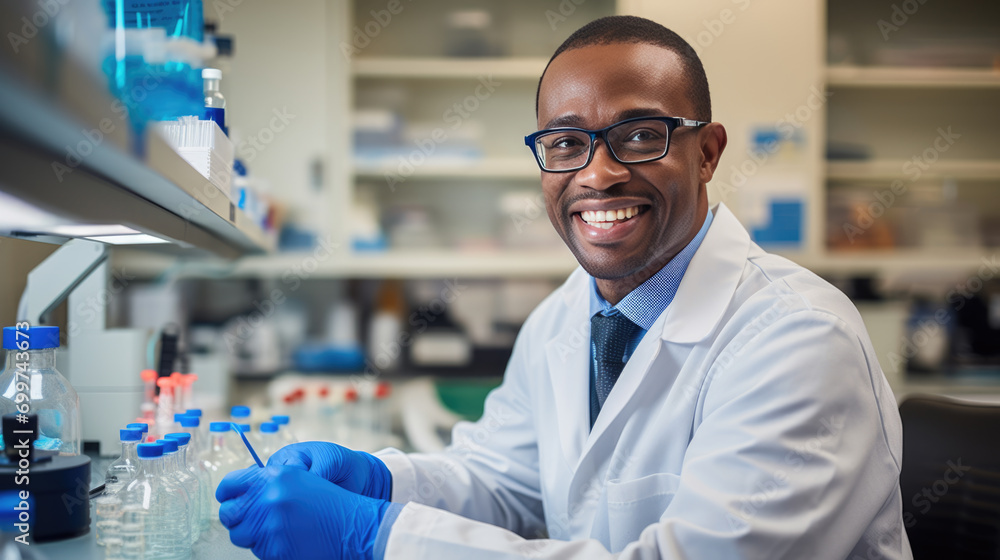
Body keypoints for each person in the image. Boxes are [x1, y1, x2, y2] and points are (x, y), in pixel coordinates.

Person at [216, 15, 912, 560]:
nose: (598, 174)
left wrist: (377, 537)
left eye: (640, 135)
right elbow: (506, 487)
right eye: (565, 143)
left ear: (707, 153)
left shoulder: (798, 338)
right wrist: (381, 483)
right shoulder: (561, 320)